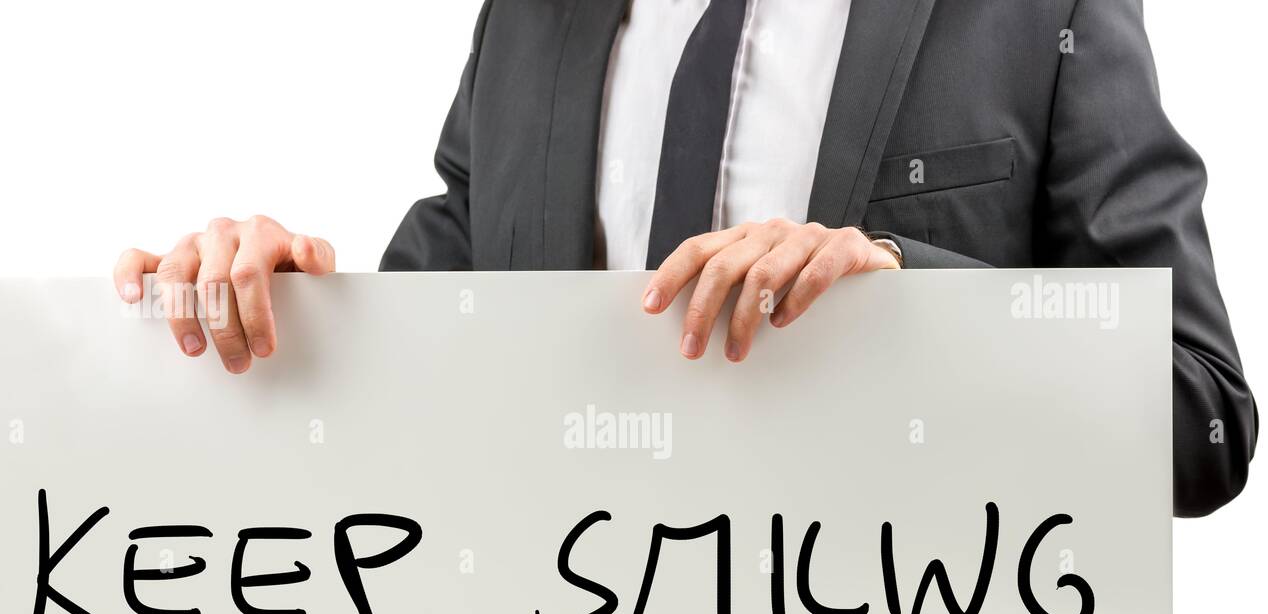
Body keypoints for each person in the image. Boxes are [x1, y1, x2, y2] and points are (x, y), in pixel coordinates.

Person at [112, 0, 1255, 517]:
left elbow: (1199, 420)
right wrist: (274, 318)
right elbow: (435, 374)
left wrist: (903, 309)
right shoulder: (529, 20)